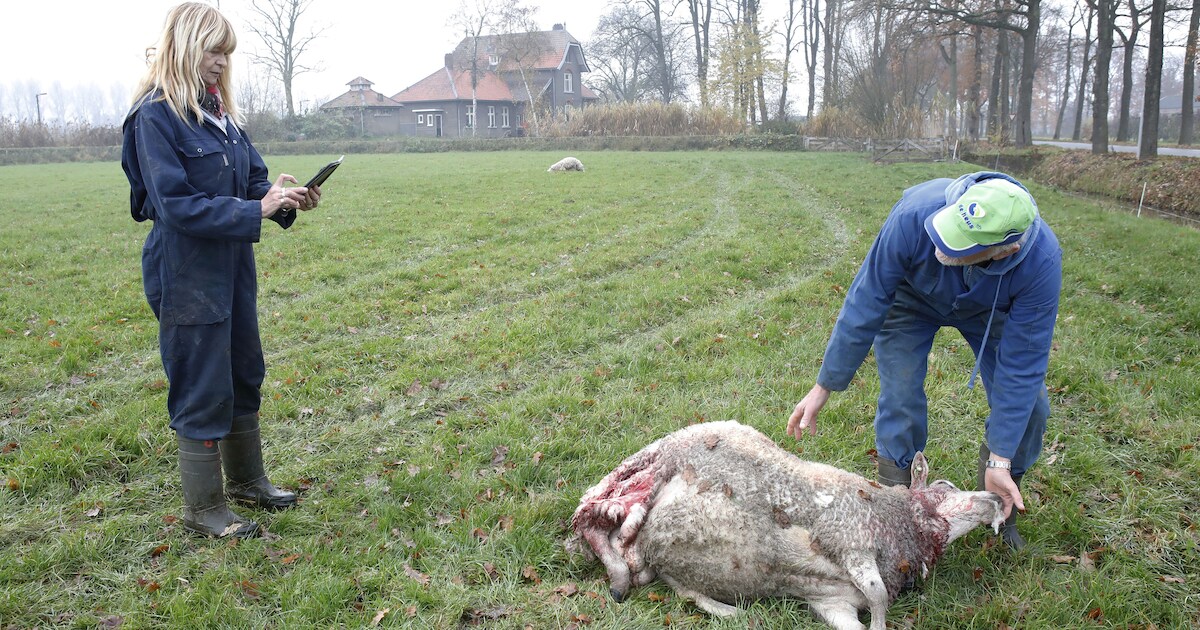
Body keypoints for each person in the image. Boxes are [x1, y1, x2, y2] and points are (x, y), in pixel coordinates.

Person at [121, 2, 321, 538]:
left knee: (242, 371)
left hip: (233, 268)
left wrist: (282, 198)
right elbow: (175, 205)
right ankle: (204, 509)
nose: (221, 63)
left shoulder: (223, 119)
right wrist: (254, 209)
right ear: (186, 47)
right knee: (201, 382)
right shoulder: (154, 118)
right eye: (213, 50)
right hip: (187, 272)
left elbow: (255, 182)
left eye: (227, 53)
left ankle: (247, 482)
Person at [786, 171, 1062, 550]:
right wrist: (825, 385)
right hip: (911, 300)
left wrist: (1001, 458)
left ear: (1006, 250)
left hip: (990, 308)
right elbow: (866, 299)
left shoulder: (1040, 263)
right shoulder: (914, 215)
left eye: (963, 244)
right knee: (900, 394)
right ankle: (895, 509)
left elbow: (1023, 364)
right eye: (948, 230)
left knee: (1032, 410)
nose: (943, 247)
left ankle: (999, 503)